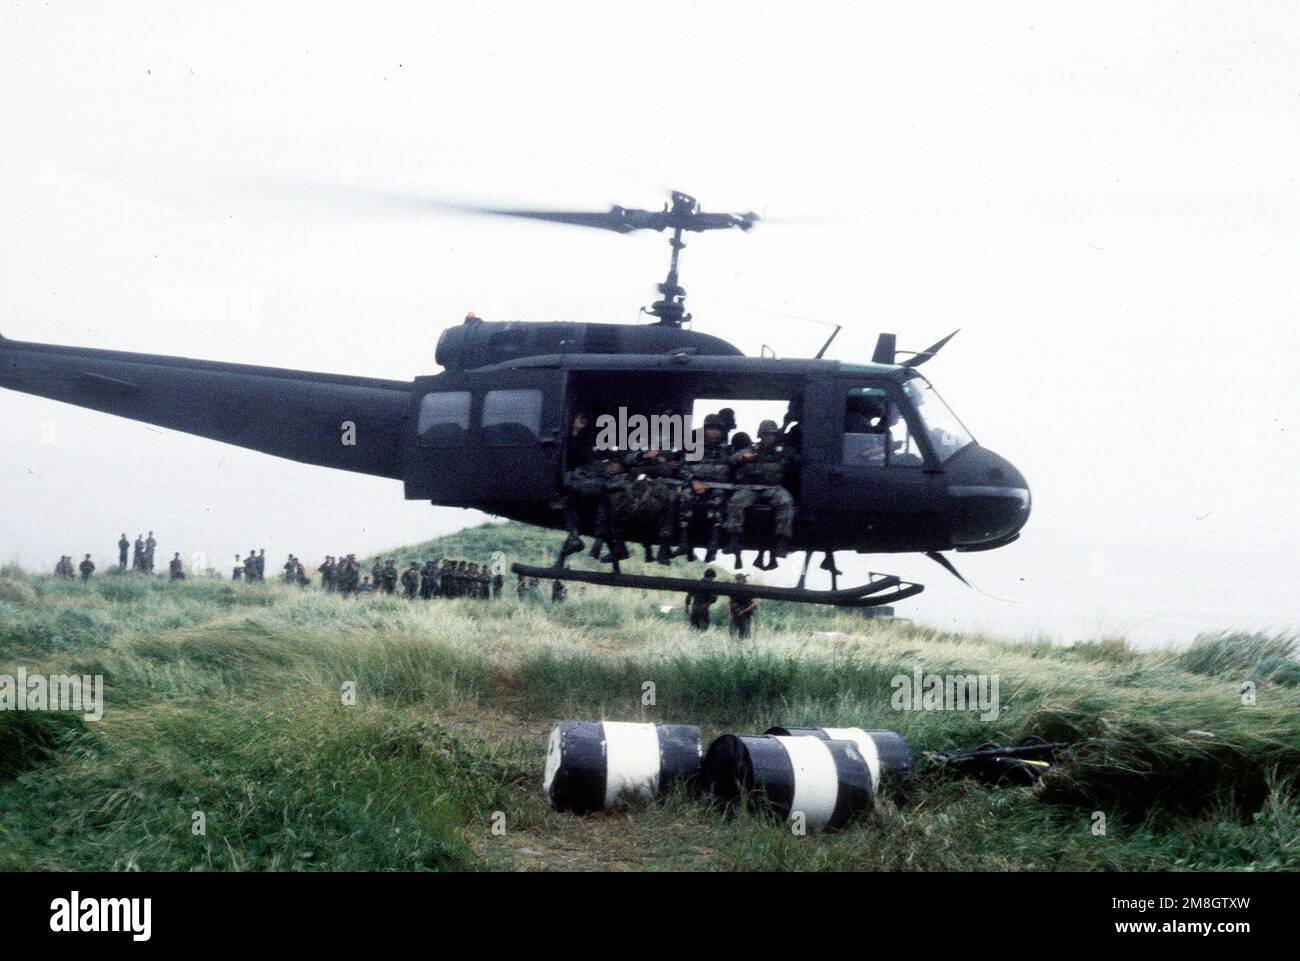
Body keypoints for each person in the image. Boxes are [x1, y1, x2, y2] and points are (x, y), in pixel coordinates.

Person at [725, 420, 796, 566]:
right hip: (751, 487)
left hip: (773, 488)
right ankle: (734, 539)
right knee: (736, 501)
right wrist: (744, 458)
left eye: (771, 435)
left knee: (786, 501)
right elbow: (732, 460)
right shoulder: (752, 449)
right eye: (765, 435)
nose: (768, 438)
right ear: (760, 435)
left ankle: (782, 541)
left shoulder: (782, 452)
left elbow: (796, 460)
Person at [678, 413, 734, 562]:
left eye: (717, 429)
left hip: (718, 488)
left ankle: (713, 545)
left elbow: (736, 467)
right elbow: (682, 468)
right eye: (711, 429)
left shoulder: (728, 451)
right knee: (685, 496)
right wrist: (693, 481)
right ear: (704, 430)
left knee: (719, 499)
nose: (714, 432)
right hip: (697, 487)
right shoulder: (694, 449)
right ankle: (684, 542)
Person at [728, 574, 757, 639]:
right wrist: (730, 613)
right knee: (732, 634)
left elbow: (754, 603)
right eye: (737, 580)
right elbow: (730, 602)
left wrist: (745, 610)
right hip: (735, 614)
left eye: (739, 580)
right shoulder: (734, 588)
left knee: (744, 635)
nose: (737, 581)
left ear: (742, 580)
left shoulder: (748, 590)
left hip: (745, 615)